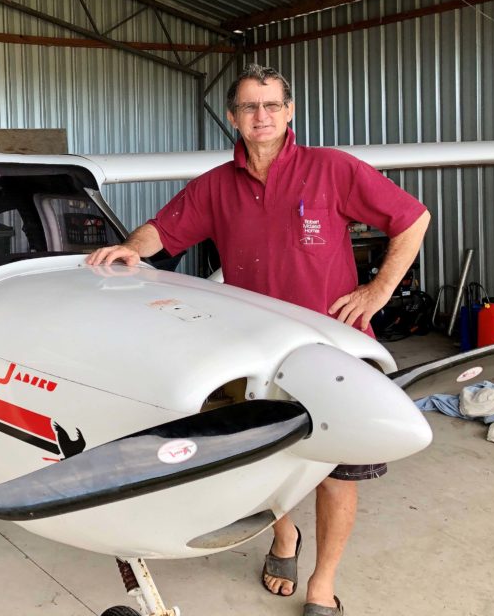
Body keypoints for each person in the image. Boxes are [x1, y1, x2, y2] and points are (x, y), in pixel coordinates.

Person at [86, 63, 430, 616]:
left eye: (271, 105)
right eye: (249, 107)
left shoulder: (332, 169)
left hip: (335, 349)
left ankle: (323, 581)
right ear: (233, 118)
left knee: (337, 470)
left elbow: (412, 219)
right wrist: (132, 248)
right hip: (258, 357)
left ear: (289, 112)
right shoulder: (217, 186)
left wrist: (377, 291)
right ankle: (284, 537)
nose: (261, 116)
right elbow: (163, 230)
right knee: (268, 459)